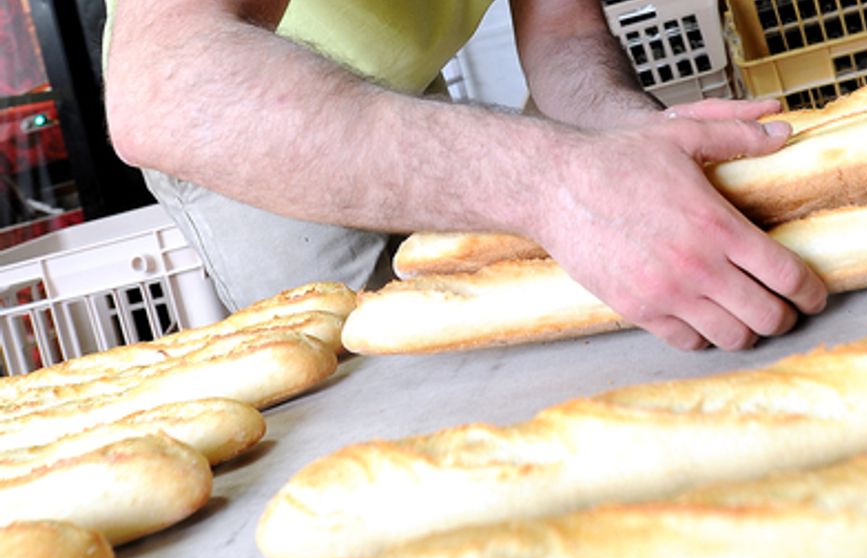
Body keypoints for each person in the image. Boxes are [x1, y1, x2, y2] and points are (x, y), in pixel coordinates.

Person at [102, 0, 827, 350]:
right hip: (247, 115)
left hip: (393, 86)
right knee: (368, 370)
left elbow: (564, 31)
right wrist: (559, 185)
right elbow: (169, 90)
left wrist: (618, 129)